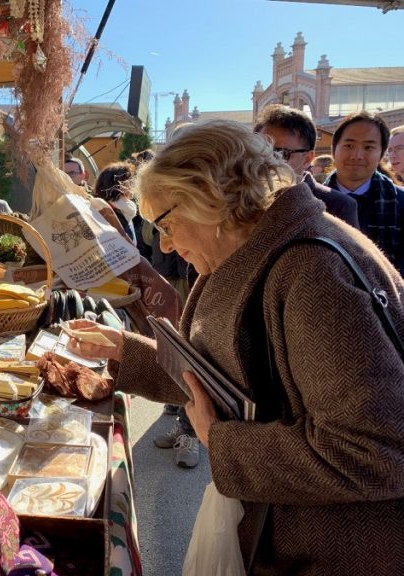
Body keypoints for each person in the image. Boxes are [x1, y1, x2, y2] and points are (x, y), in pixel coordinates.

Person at [66, 119, 404, 574]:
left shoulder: (315, 273)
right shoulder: (258, 247)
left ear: (211, 198)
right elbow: (225, 373)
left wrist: (222, 441)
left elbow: (376, 452)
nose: (165, 243)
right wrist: (128, 351)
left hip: (340, 552)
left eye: (165, 223)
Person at [325, 111, 404, 275]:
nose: (357, 155)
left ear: (381, 153)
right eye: (349, 146)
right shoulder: (311, 201)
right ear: (334, 149)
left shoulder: (400, 202)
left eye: (368, 147)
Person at [254, 104, 358, 227]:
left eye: (281, 153)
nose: (268, 160)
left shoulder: (338, 206)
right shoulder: (243, 200)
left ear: (307, 159)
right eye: (261, 150)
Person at [93, 162, 137, 243]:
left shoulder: (124, 209)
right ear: (120, 185)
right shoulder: (107, 212)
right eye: (130, 181)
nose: (133, 185)